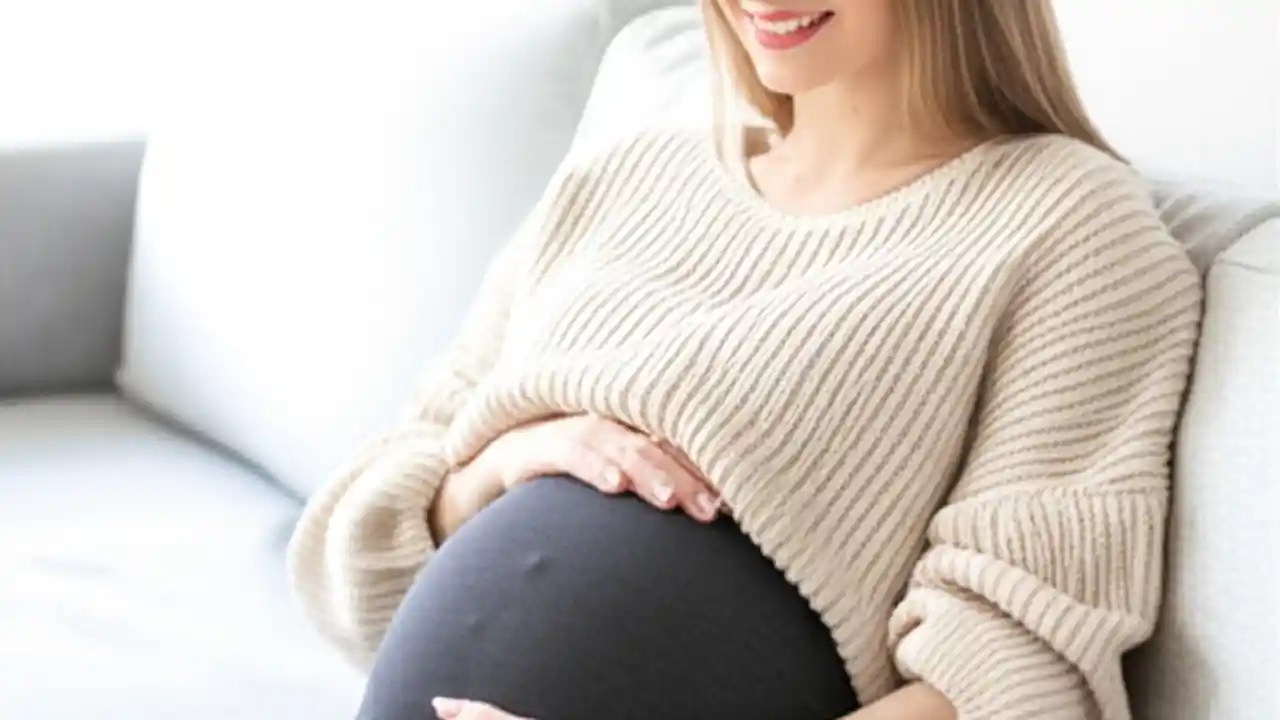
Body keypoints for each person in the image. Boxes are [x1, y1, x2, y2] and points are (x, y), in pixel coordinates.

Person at [287, 1, 1205, 719]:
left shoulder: (1071, 228)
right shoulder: (622, 179)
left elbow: (1022, 672)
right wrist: (495, 467)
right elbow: (347, 556)